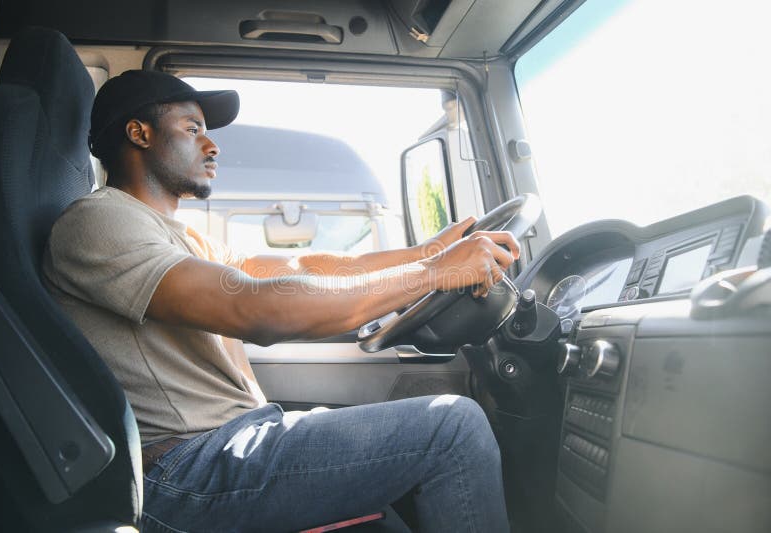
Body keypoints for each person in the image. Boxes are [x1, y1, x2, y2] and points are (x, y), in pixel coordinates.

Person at [43, 70, 519, 533]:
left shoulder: (178, 236)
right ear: (138, 133)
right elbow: (258, 309)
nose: (213, 146)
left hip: (230, 441)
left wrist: (427, 253)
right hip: (183, 474)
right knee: (452, 428)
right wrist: (435, 273)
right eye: (192, 129)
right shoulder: (99, 221)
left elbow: (301, 270)